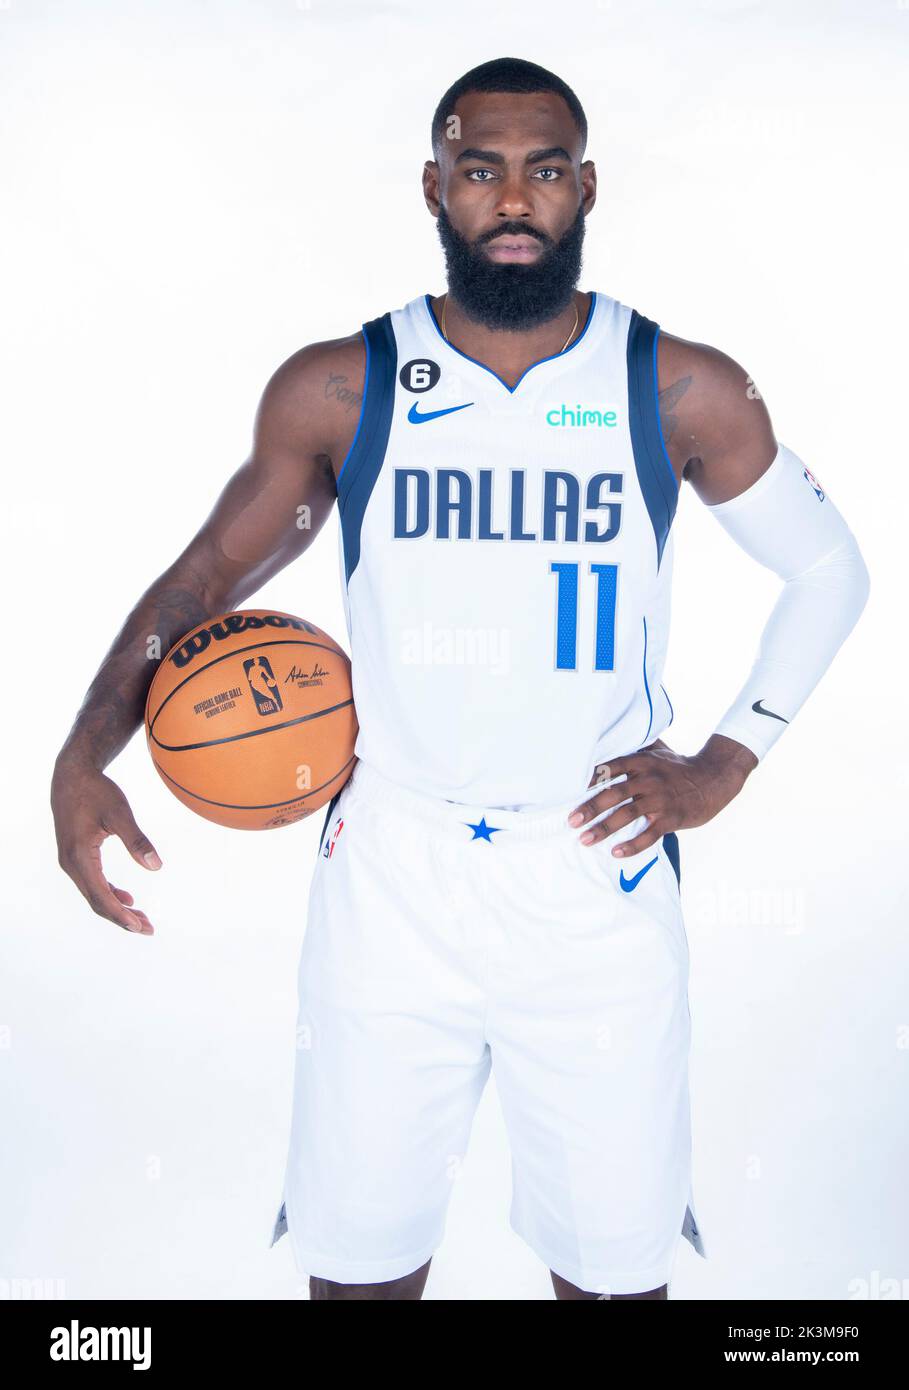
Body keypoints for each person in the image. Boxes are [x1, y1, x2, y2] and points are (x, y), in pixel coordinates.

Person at [51, 57, 870, 1301]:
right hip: (392, 872)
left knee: (613, 1277)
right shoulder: (342, 385)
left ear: (586, 185)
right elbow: (203, 578)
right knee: (360, 1270)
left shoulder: (678, 385)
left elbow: (829, 570)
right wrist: (83, 752)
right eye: (480, 169)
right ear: (433, 188)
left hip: (597, 869)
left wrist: (724, 760)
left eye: (545, 169)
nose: (514, 198)